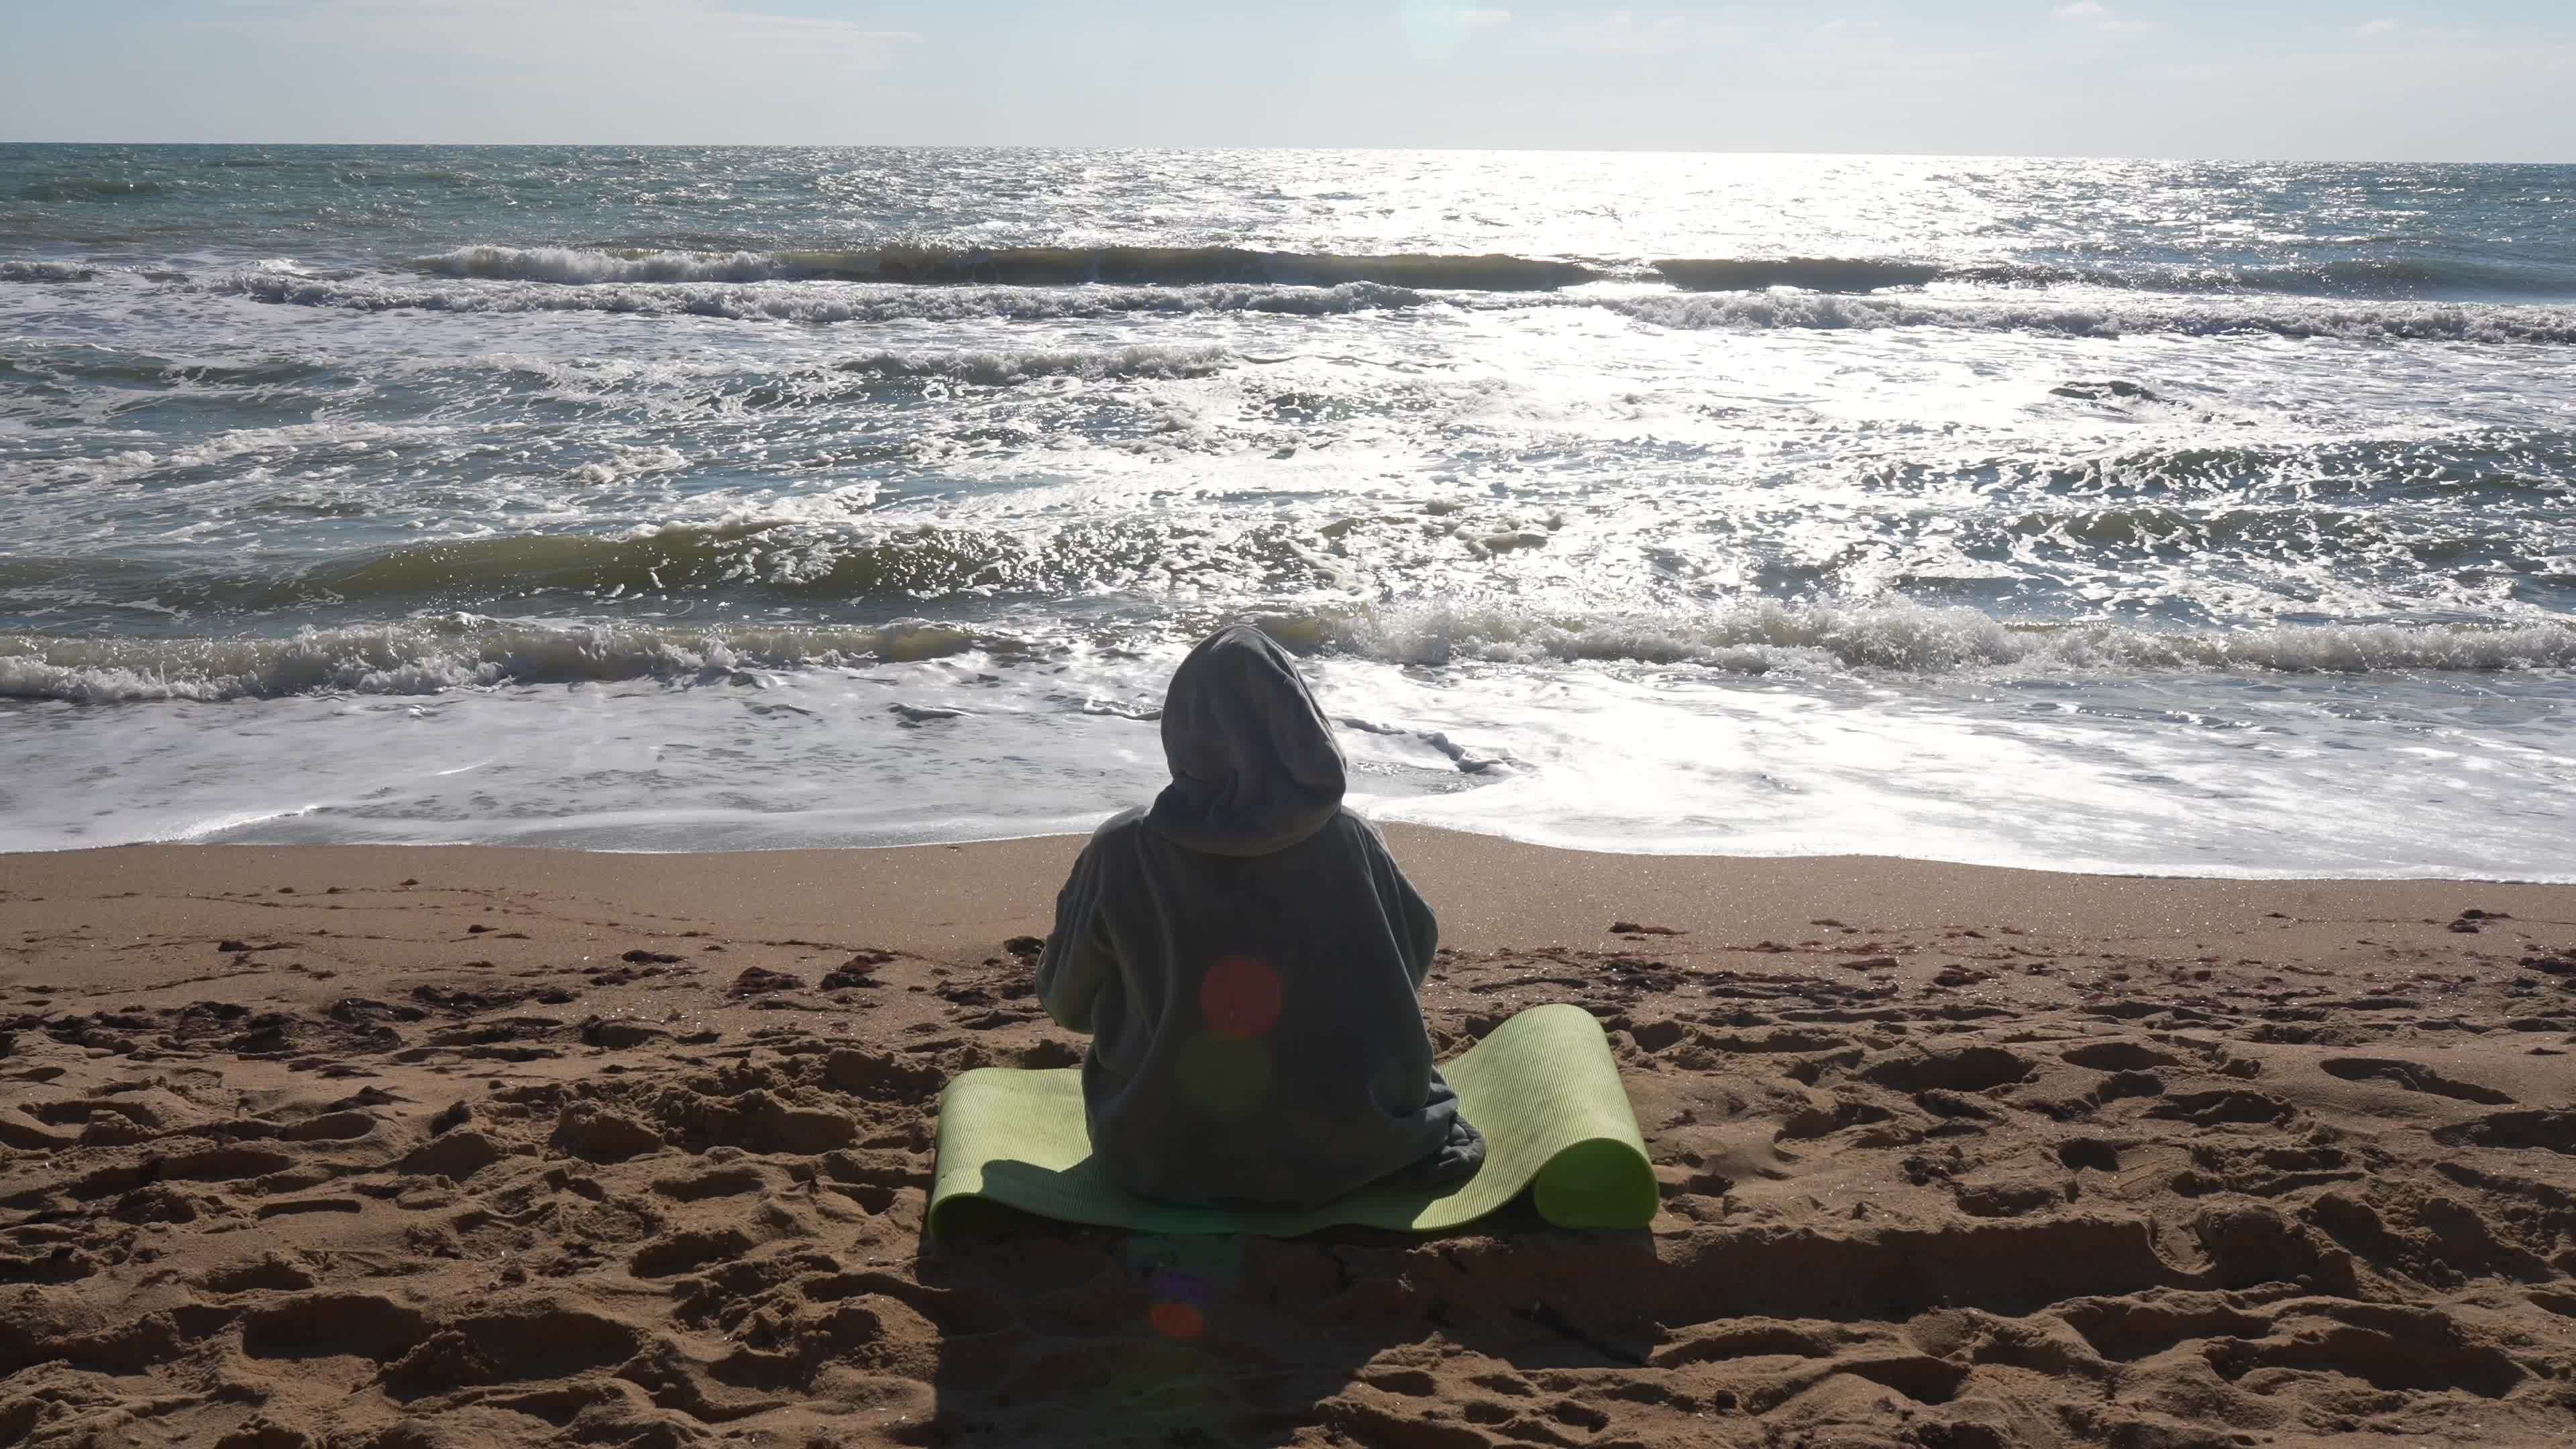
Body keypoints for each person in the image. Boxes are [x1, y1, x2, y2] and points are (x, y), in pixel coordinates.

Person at [1035, 623, 1485, 1209]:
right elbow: (1414, 959)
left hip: (1163, 1156)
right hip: (1358, 1146)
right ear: (1298, 725)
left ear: (1182, 728)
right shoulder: (1350, 840)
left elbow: (1065, 1005)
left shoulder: (1123, 850)